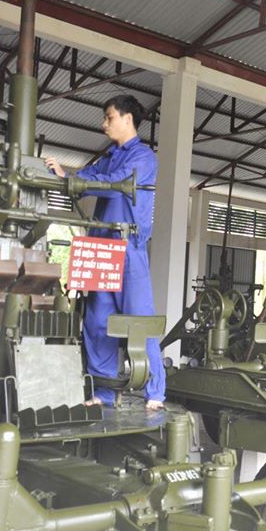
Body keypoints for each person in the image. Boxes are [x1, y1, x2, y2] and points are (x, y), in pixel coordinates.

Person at [44, 95, 165, 411]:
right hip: (100, 249)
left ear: (127, 119)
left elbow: (111, 183)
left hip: (128, 248)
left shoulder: (143, 157)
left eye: (109, 117)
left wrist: (72, 180)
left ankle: (155, 394)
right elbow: (91, 176)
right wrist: (66, 176)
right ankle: (104, 393)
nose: (104, 123)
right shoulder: (110, 156)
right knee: (98, 324)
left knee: (139, 320)